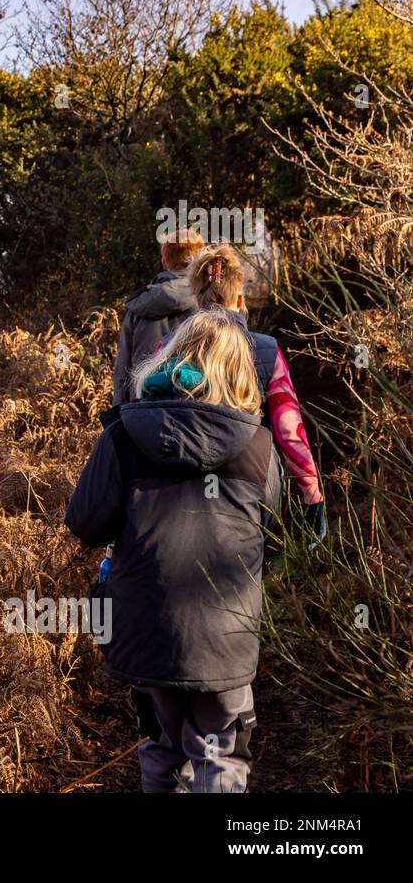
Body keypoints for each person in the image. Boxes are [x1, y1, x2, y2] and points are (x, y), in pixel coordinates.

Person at [66, 307, 281, 792]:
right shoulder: (261, 449)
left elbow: (84, 523)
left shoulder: (124, 435)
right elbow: (277, 541)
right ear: (240, 372)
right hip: (227, 636)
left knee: (161, 751)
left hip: (144, 633)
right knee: (221, 755)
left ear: (171, 359)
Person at [185, 244, 327, 537]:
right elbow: (289, 430)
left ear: (196, 300)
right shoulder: (266, 350)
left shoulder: (170, 350)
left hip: (179, 486)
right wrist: (311, 492)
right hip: (250, 486)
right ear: (240, 298)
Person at [112, 229, 205, 406]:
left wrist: (118, 417)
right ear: (200, 260)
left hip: (141, 408)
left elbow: (122, 371)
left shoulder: (138, 307)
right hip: (192, 407)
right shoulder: (206, 302)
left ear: (165, 262)